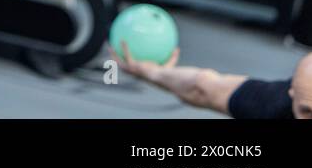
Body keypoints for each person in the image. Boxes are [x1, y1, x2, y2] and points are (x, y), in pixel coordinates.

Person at [117, 47, 312, 120]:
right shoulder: (276, 105)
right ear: (292, 93)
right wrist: (154, 72)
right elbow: (201, 88)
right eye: (307, 112)